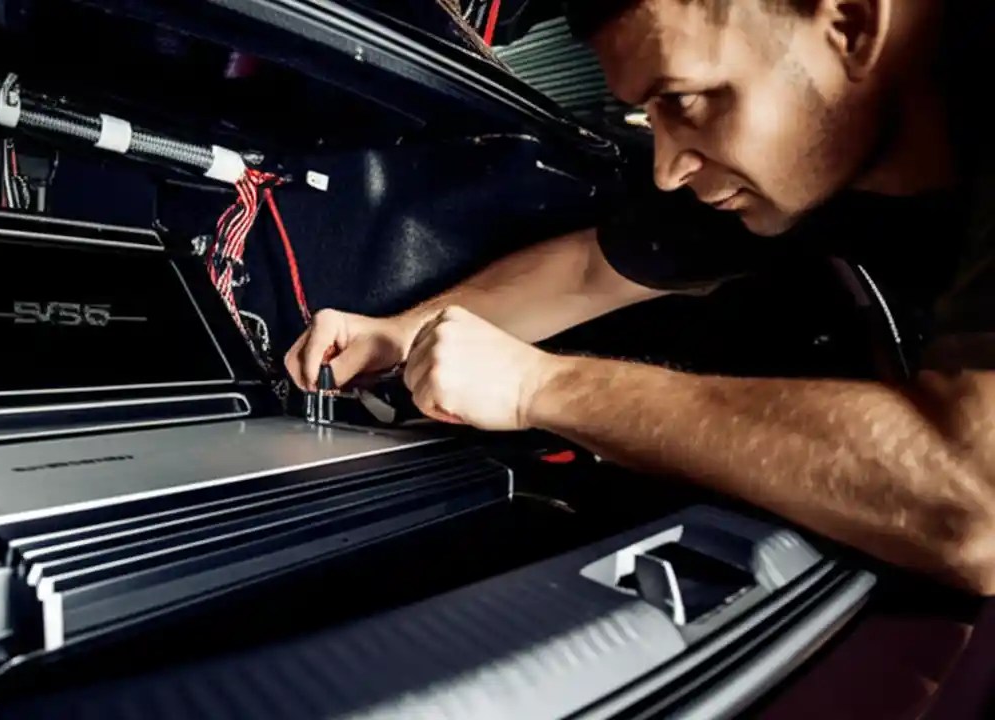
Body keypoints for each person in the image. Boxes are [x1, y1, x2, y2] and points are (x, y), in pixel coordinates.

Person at [285, 0, 995, 594]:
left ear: (849, 22)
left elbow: (976, 503)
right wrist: (401, 332)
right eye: (650, 115)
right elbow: (593, 269)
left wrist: (540, 385)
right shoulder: (807, 144)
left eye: (683, 101)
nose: (666, 169)